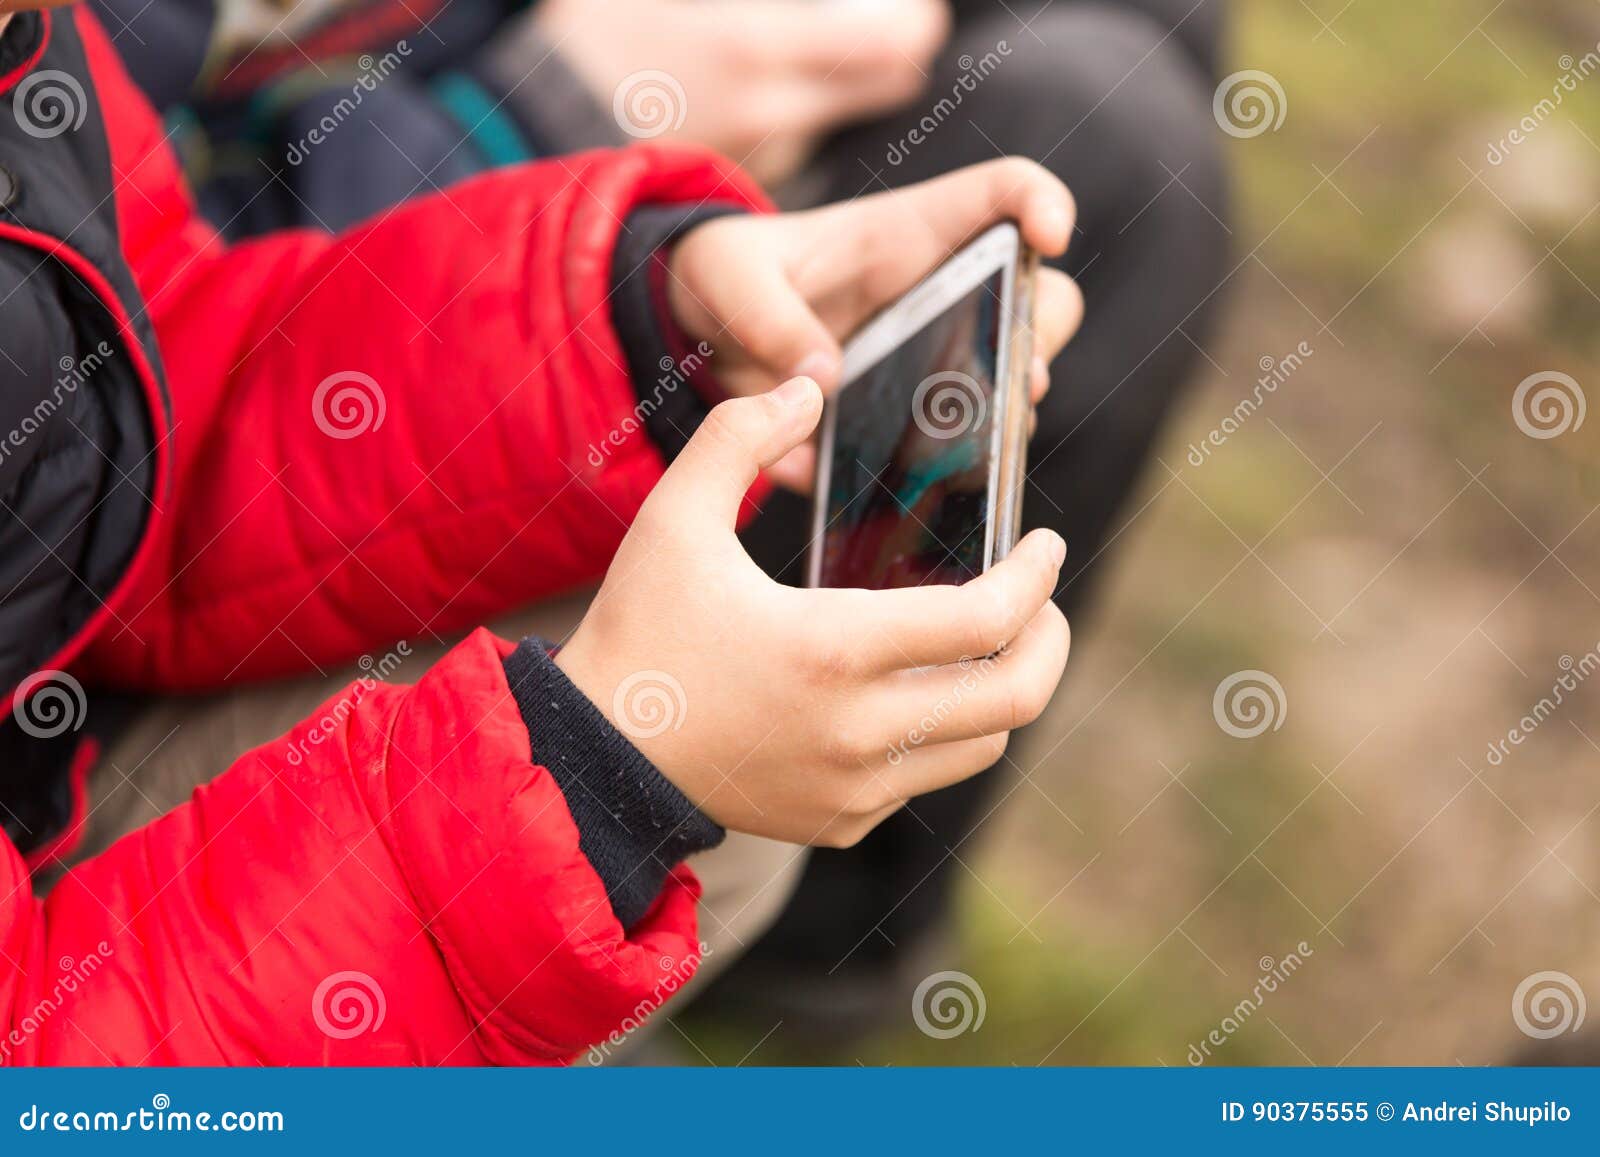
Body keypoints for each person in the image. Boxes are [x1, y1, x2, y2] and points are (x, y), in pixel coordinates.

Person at [89, 0, 1231, 1030]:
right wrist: (593, 793)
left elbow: (154, 370)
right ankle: (764, 942)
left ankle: (791, 949)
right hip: (86, 796)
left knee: (1111, 100)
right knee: (693, 750)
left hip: (239, 448)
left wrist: (644, 310)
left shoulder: (40, 69)